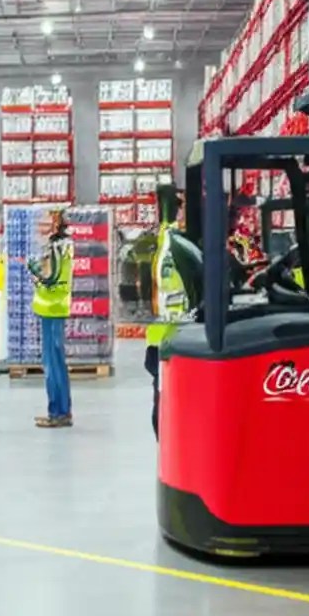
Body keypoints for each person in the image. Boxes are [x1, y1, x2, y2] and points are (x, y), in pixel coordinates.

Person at [145, 185, 188, 439]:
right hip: (176, 329)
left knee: (162, 396)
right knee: (165, 399)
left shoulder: (165, 237)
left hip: (167, 328)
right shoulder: (175, 242)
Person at [28, 209, 74, 428]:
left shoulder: (57, 247)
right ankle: (58, 410)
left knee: (53, 363)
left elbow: (50, 276)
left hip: (53, 309)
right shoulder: (61, 246)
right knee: (55, 361)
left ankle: (59, 412)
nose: (41, 226)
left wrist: (34, 268)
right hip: (52, 309)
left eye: (46, 222)